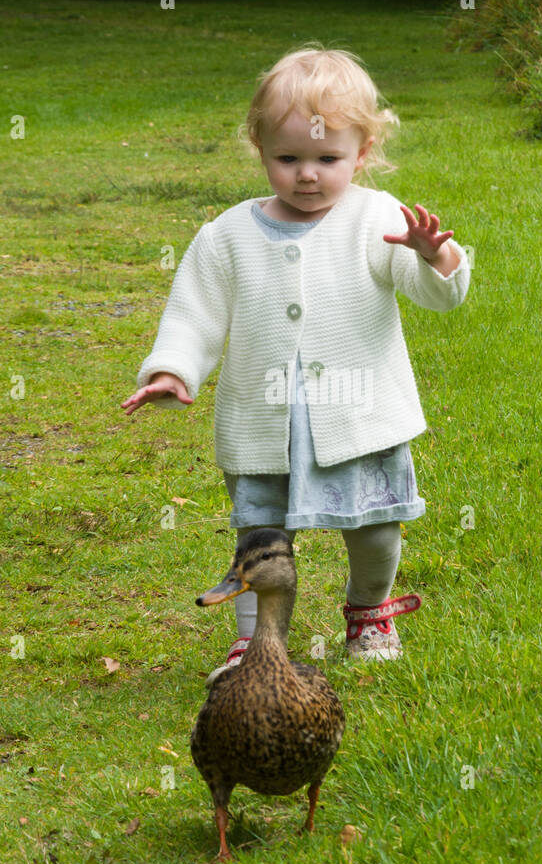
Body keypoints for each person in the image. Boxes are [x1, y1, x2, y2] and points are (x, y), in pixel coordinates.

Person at [123, 46, 471, 671]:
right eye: (288, 159)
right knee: (260, 538)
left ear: (362, 154)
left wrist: (432, 256)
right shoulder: (227, 235)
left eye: (327, 159)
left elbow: (438, 295)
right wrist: (173, 367)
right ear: (260, 150)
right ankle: (257, 642)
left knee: (374, 527)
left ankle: (369, 610)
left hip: (359, 418)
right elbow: (195, 313)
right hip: (264, 424)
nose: (307, 174)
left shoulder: (379, 219)